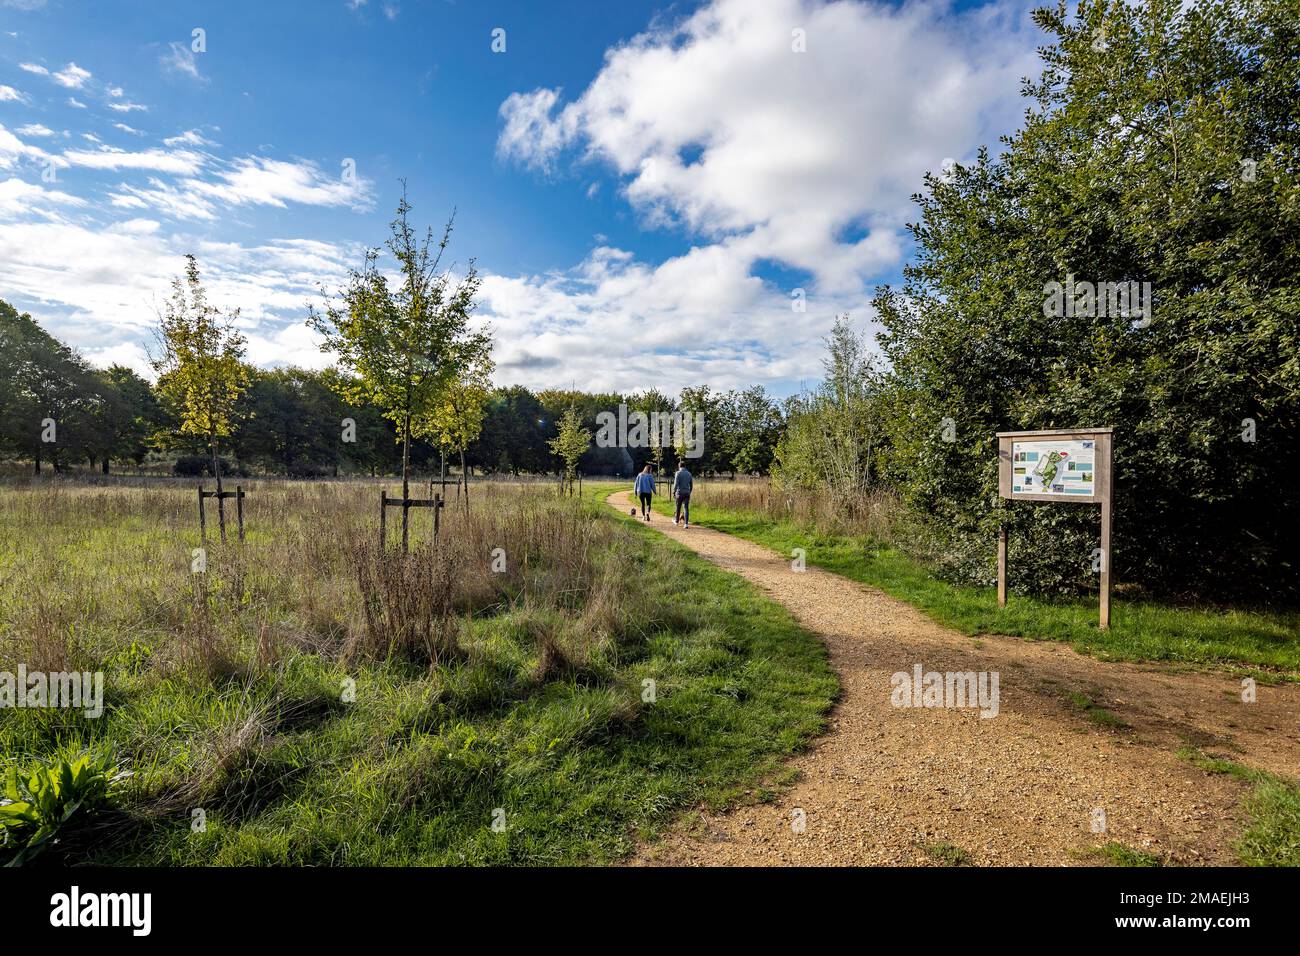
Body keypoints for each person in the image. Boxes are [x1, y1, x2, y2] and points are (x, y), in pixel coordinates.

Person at [672, 459, 693, 527]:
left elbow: (676, 484)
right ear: (685, 466)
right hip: (687, 493)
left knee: (678, 507)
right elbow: (691, 484)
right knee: (686, 508)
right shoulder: (689, 474)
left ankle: (677, 521)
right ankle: (686, 524)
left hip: (680, 493)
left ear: (679, 466)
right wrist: (689, 491)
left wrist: (673, 492)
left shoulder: (678, 473)